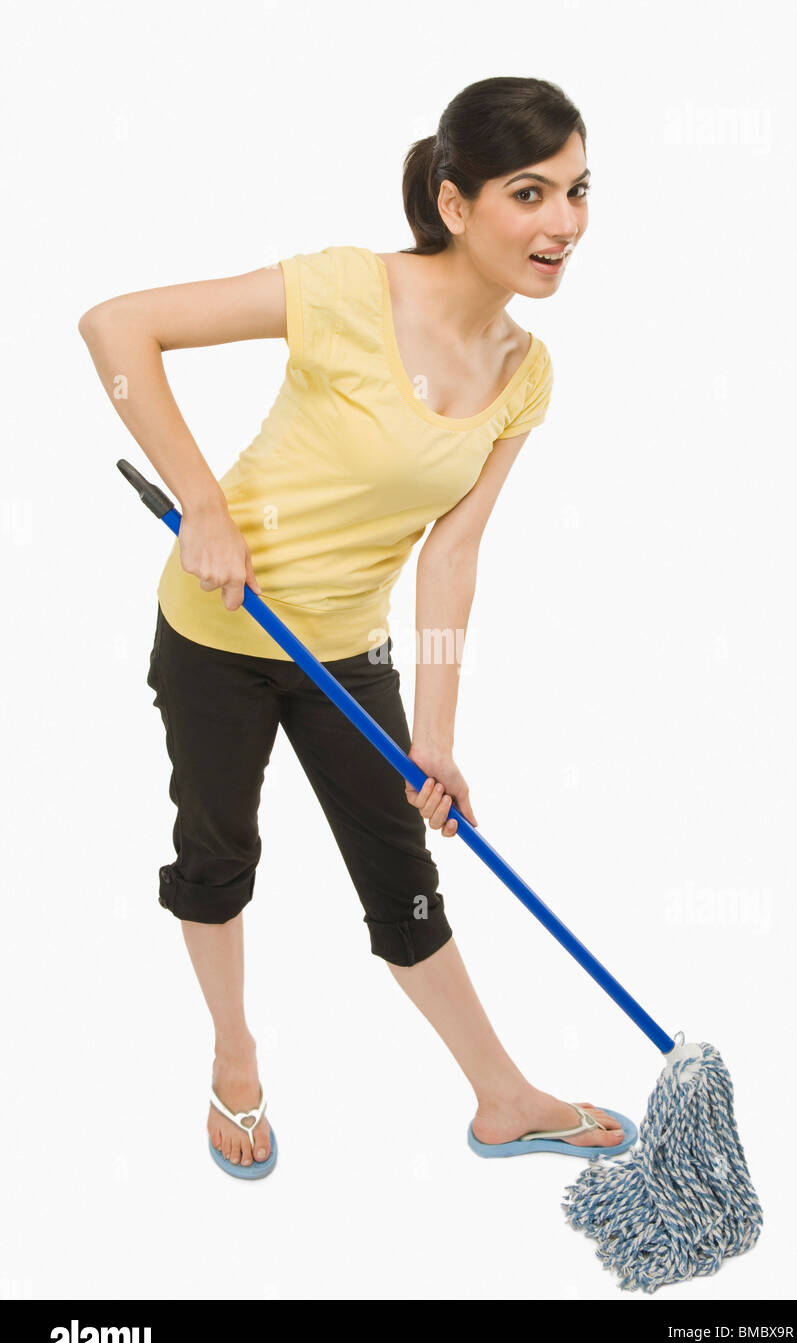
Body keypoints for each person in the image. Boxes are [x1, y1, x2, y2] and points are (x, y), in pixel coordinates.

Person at [79, 76, 626, 1178]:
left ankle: (503, 1096)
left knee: (405, 874)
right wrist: (204, 508)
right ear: (458, 202)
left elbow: (452, 554)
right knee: (219, 850)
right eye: (530, 192)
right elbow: (117, 327)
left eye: (576, 190)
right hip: (218, 632)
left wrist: (434, 733)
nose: (562, 222)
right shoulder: (346, 289)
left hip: (342, 650)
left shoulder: (526, 373)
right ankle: (235, 1059)